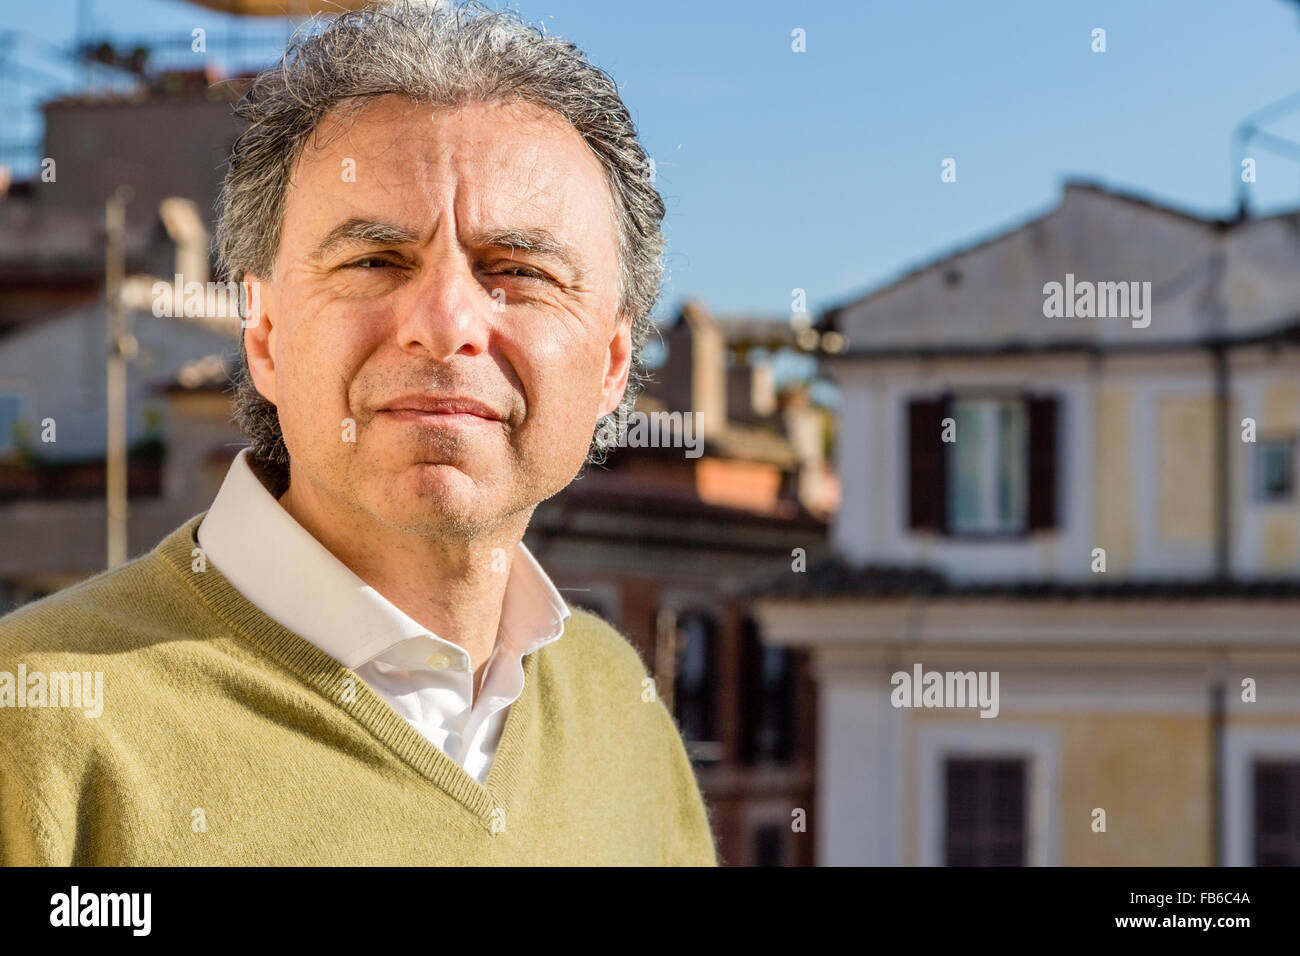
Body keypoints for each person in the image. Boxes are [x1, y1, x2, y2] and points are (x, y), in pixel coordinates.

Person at [0, 0, 717, 866]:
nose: (445, 322)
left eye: (519, 271)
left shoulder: (620, 706)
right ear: (262, 334)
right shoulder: (32, 722)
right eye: (374, 260)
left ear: (611, 365)